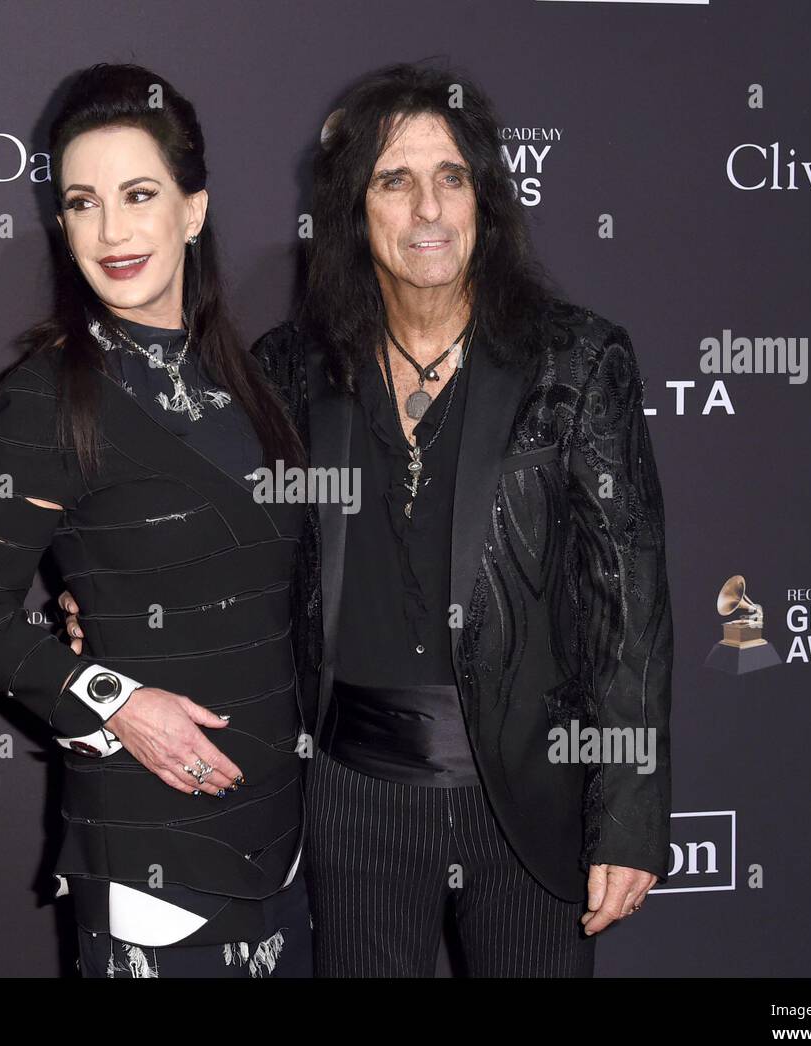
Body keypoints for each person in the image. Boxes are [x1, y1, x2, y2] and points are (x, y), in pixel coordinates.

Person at [248, 63, 675, 977]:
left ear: (486, 198)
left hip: (526, 792)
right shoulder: (290, 367)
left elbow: (628, 596)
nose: (428, 211)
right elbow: (239, 553)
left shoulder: (576, 358)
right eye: (394, 181)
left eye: (452, 177)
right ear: (354, 209)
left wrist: (631, 812)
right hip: (351, 791)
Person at [0, 63, 311, 978]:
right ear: (60, 226)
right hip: (148, 840)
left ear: (193, 209)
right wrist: (115, 703)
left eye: (138, 195)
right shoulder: (44, 399)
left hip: (285, 833)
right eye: (82, 203)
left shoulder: (250, 384)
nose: (111, 231)